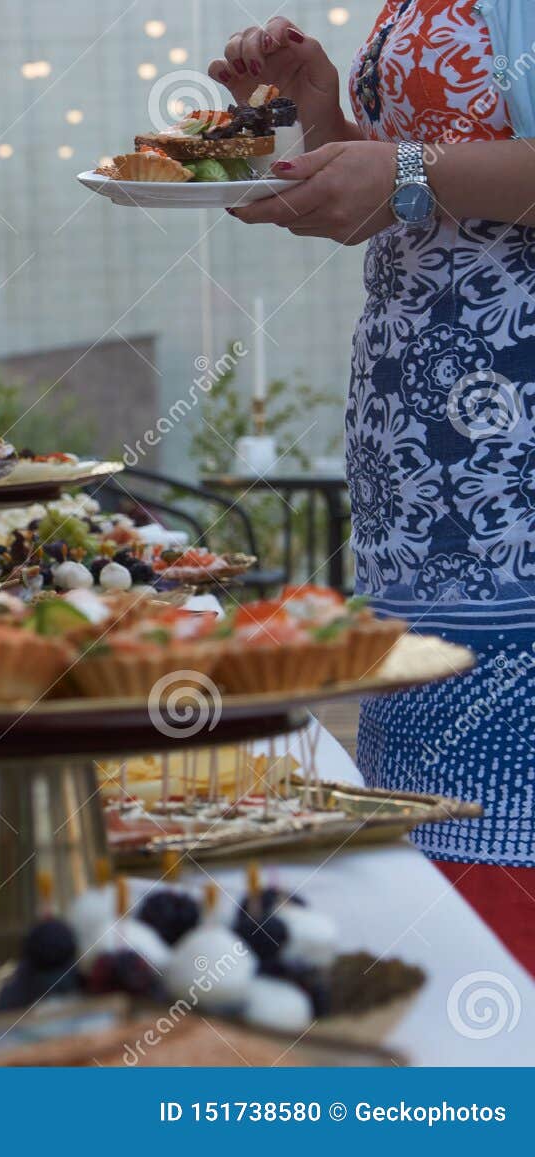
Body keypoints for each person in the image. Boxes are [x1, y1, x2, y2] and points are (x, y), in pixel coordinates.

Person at [213, 4, 535, 971]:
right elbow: (415, 195)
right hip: (423, 462)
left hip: (510, 447)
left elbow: (422, 178)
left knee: (497, 880)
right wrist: (324, 115)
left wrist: (404, 170)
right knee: (427, 861)